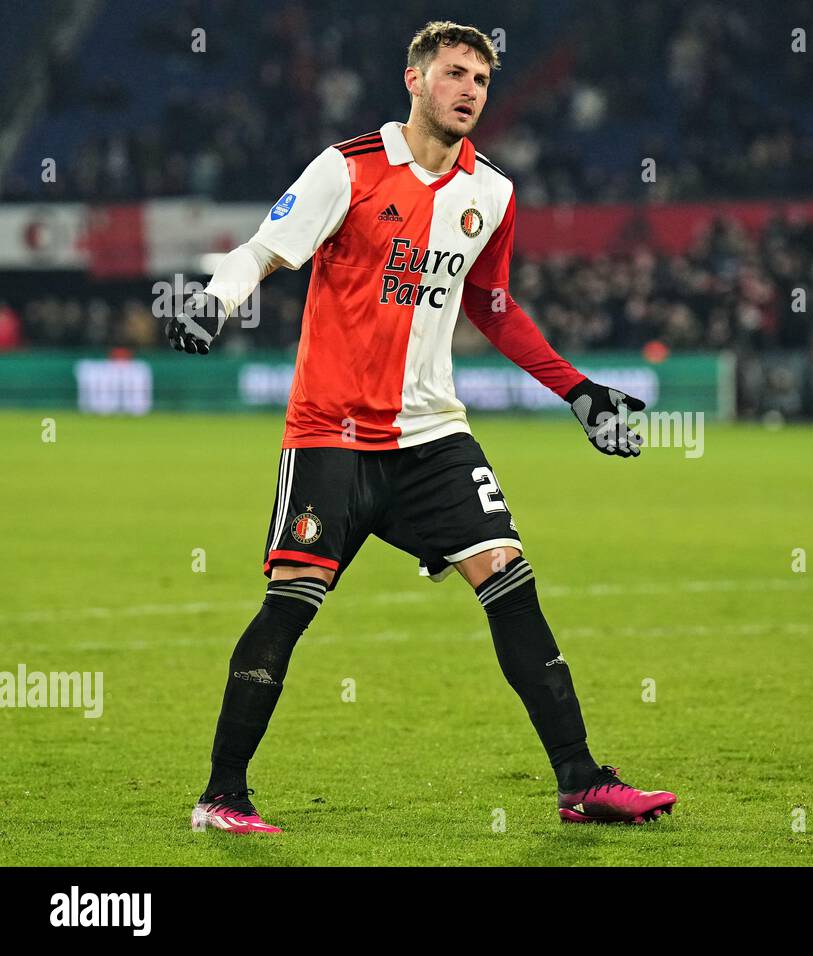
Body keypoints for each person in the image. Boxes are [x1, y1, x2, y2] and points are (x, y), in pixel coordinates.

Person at [165, 21, 677, 832]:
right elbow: (264, 250)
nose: (469, 89)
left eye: (480, 77)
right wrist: (212, 301)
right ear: (414, 80)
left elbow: (496, 309)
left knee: (509, 578)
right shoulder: (348, 169)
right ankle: (222, 795)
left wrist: (578, 391)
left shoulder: (493, 194)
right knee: (292, 602)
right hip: (330, 434)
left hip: (432, 435)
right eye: (454, 73)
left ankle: (581, 781)